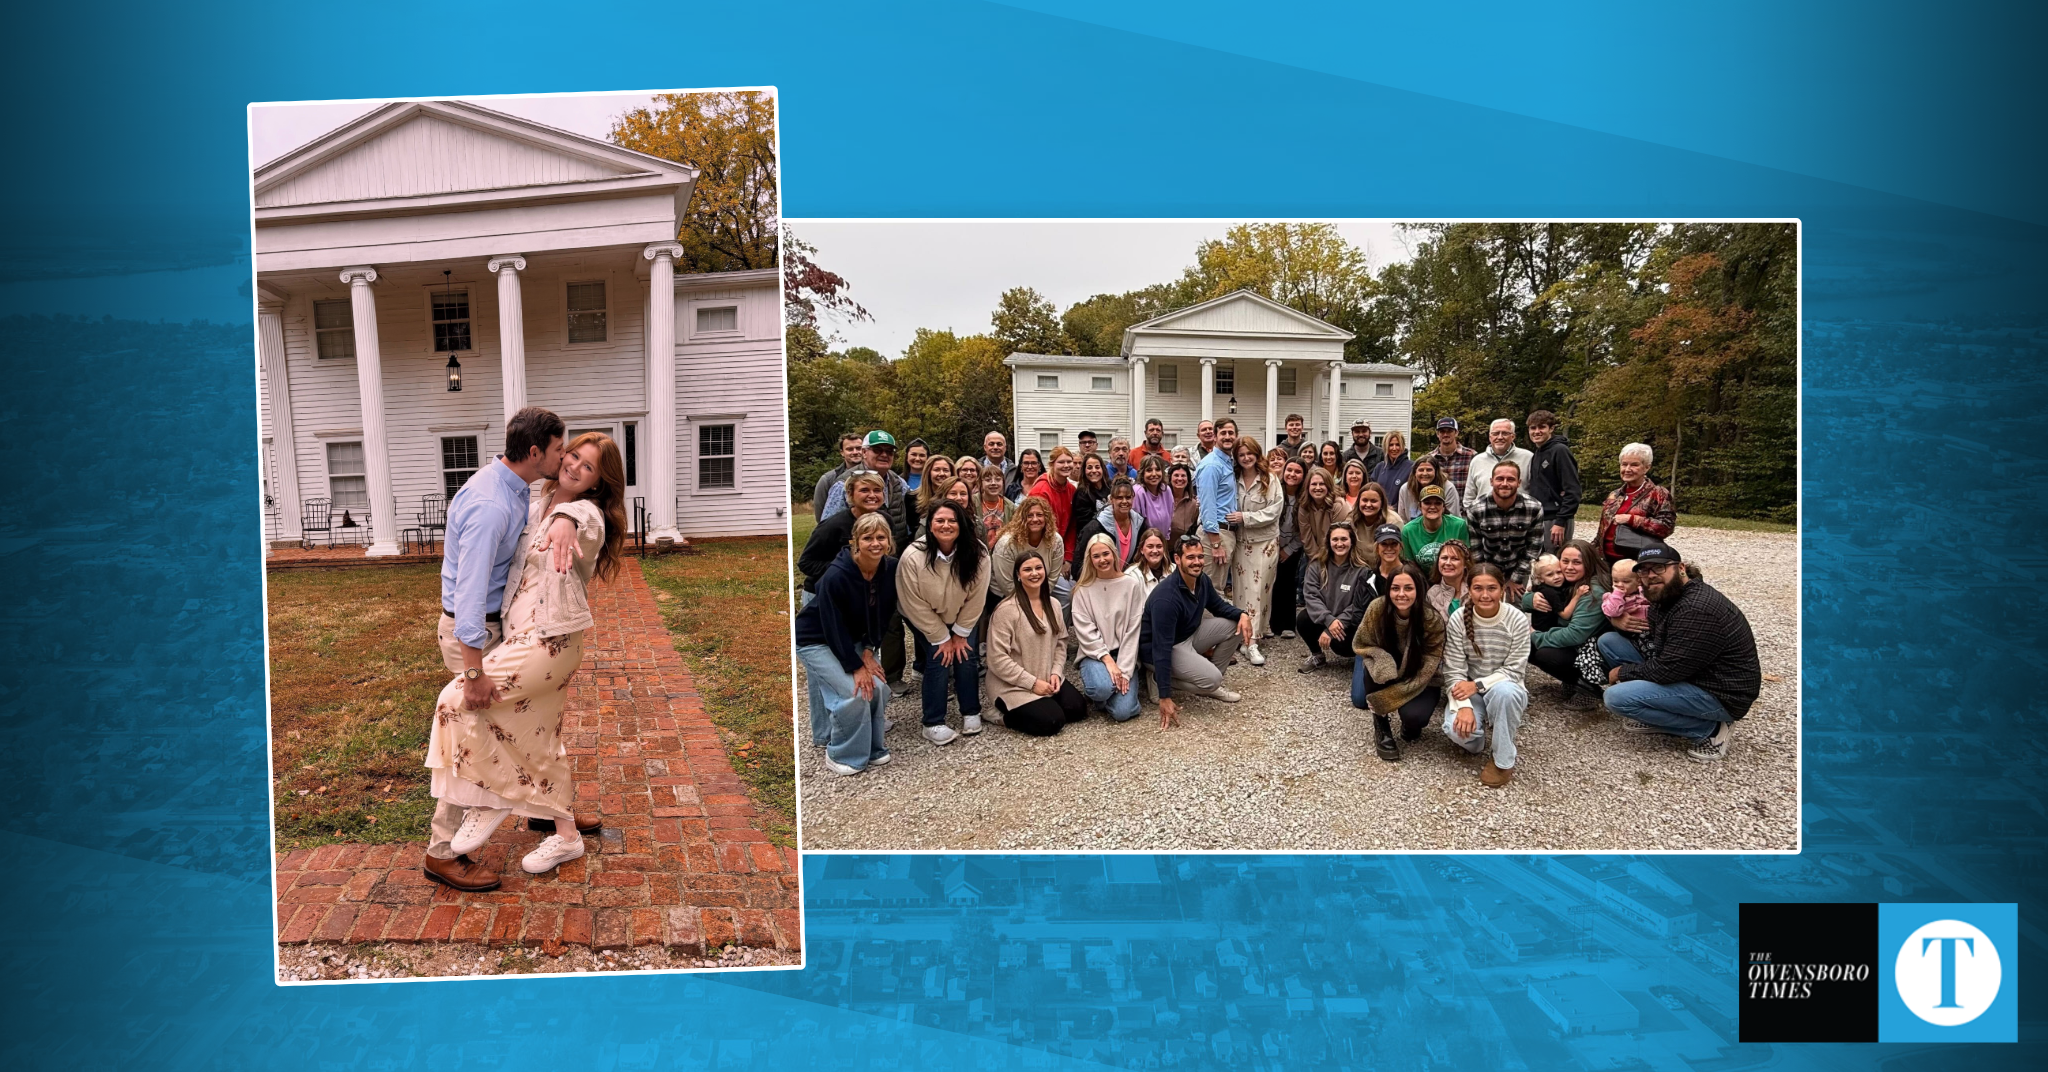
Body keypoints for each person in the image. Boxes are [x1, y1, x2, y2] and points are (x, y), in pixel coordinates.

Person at [426, 414, 618, 889]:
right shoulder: (514, 500)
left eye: (585, 465)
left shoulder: (573, 511)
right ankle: (449, 847)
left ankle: (505, 804)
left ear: (599, 481)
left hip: (544, 639)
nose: (570, 463)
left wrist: (567, 520)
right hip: (481, 632)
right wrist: (473, 671)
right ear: (541, 453)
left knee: (492, 717)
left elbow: (583, 520)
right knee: (500, 717)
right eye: (568, 453)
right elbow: (472, 592)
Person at [1598, 542, 1760, 762]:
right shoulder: (1666, 595)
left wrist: (1623, 672)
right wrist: (1616, 619)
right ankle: (1662, 714)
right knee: (1610, 641)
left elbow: (1668, 671)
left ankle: (1710, 730)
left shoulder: (1696, 609)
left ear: (1680, 568)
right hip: (1689, 673)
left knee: (1617, 698)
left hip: (1720, 693)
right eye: (1644, 571)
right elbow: (1665, 657)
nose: (1651, 576)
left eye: (1659, 568)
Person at [793, 513, 898, 775]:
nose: (875, 543)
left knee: (880, 688)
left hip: (852, 640)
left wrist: (868, 651)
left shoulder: (890, 568)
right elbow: (832, 625)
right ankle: (840, 753)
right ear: (856, 542)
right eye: (867, 538)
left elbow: (883, 613)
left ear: (889, 541)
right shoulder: (836, 575)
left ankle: (873, 748)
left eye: (881, 537)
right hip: (815, 640)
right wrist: (855, 665)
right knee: (853, 692)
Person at [896, 501, 991, 746]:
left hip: (961, 614)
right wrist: (941, 637)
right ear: (930, 525)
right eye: (940, 520)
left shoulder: (978, 552)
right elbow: (911, 602)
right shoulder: (913, 556)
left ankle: (970, 711)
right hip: (923, 616)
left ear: (961, 524)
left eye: (952, 520)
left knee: (966, 656)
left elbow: (977, 597)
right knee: (939, 658)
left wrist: (959, 633)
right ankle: (933, 721)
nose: (946, 525)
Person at [799, 472, 908, 681]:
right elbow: (805, 562)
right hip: (821, 595)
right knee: (823, 678)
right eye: (864, 490)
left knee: (852, 653)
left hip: (857, 594)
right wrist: (843, 573)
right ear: (850, 494)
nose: (872, 495)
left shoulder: (884, 520)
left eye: (877, 490)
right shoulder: (833, 525)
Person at [1143, 537, 1254, 726]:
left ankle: (1210, 684)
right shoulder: (1166, 598)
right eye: (1190, 557)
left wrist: (1242, 614)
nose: (1197, 562)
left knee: (1234, 625)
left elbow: (1218, 606)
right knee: (1211, 679)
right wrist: (1165, 696)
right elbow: (1162, 648)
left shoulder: (1201, 579)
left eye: (1200, 557)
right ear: (1177, 560)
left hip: (1187, 636)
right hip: (1160, 649)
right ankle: (1158, 680)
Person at [1441, 563, 1532, 788]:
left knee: (1505, 694)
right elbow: (1454, 670)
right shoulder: (1458, 619)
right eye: (1478, 588)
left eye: (1491, 588)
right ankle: (1481, 736)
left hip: (1504, 686)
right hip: (1468, 689)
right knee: (1457, 732)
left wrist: (1477, 685)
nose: (1485, 595)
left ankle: (1503, 759)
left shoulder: (1517, 619)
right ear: (1469, 590)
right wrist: (1463, 706)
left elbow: (1514, 669)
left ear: (1502, 590)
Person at [985, 550, 1088, 735]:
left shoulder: (1053, 604)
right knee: (1052, 722)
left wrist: (1056, 672)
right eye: (1027, 569)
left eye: (1038, 568)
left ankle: (1044, 702)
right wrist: (1032, 683)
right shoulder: (1006, 611)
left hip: (1047, 676)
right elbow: (997, 659)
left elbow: (1061, 643)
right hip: (1013, 685)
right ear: (1018, 575)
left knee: (1077, 710)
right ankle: (1000, 715)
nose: (1034, 573)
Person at [1352, 564, 1446, 761]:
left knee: (1415, 718)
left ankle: (1408, 723)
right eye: (1395, 588)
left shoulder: (1431, 619)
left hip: (1420, 676)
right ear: (1388, 590)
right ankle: (1381, 725)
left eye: (1408, 588)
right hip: (1387, 671)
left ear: (1419, 590)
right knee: (1374, 666)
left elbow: (1431, 661)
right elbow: (1361, 642)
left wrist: (1397, 694)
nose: (1401, 594)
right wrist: (1382, 658)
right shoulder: (1377, 608)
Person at [1521, 540, 1608, 704]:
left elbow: (1575, 635)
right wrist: (1530, 600)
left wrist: (1536, 636)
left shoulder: (1593, 591)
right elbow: (1534, 591)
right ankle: (1573, 682)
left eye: (1577, 562)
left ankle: (1587, 687)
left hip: (1591, 652)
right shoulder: (1564, 578)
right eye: (1565, 561)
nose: (1569, 567)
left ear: (1589, 563)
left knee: (1542, 652)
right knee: (1526, 643)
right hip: (1577, 645)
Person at [1071, 533, 1147, 722]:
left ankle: (1110, 698)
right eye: (1096, 556)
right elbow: (1085, 632)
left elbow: (1133, 630)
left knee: (1123, 713)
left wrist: (1125, 670)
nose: (1102, 560)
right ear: (1090, 559)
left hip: (1124, 653)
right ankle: (1102, 692)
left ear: (1114, 554)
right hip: (1095, 655)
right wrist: (1108, 662)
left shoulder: (1131, 585)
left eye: (1106, 554)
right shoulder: (1083, 589)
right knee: (1101, 688)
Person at [1228, 435, 1284, 665]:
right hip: (1241, 542)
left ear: (1257, 453)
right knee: (1241, 591)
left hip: (1265, 542)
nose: (1246, 458)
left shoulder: (1269, 479)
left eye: (1249, 453)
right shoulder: (1232, 478)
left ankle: (1253, 642)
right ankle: (1244, 637)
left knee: (1260, 591)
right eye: (1241, 455)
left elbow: (1274, 511)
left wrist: (1246, 517)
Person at [820, 431, 912, 552]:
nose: (884, 455)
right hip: (858, 562)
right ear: (864, 452)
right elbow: (827, 531)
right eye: (877, 450)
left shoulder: (899, 482)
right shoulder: (844, 483)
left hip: (894, 559)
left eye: (889, 451)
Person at [1466, 460, 1546, 598]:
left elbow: (1534, 547)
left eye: (1510, 479)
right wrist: (1485, 575)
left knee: (1515, 608)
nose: (1504, 483)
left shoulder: (1534, 507)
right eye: (1499, 479)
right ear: (1491, 481)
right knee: (1485, 603)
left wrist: (1516, 578)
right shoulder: (1475, 509)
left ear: (1519, 482)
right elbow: (1475, 550)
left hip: (1519, 565)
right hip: (1488, 564)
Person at [1296, 521, 1369, 672]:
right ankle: (1318, 656)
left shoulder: (1362, 570)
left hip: (1347, 624)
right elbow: (1311, 596)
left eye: (1344, 539)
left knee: (1340, 646)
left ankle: (1358, 658)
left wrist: (1335, 626)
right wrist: (1329, 621)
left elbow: (1358, 605)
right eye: (1335, 539)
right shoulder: (1317, 565)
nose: (1339, 543)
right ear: (1329, 542)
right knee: (1303, 619)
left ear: (1352, 541)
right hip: (1326, 618)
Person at [1596, 441, 1677, 562]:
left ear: (1647, 467)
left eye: (1634, 465)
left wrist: (1632, 520)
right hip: (1605, 561)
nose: (1627, 469)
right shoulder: (1614, 494)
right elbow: (1601, 532)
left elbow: (1666, 527)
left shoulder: (1658, 494)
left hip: (1636, 562)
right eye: (1624, 464)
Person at [990, 495, 1066, 608]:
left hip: (1040, 588)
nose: (1035, 519)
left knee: (1065, 597)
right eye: (1029, 515)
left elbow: (1052, 578)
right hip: (1006, 594)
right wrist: (1030, 604)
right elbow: (1007, 584)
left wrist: (1040, 599)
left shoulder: (1056, 540)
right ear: (1021, 519)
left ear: (1047, 518)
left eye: (1039, 515)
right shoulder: (1007, 544)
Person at [1524, 410, 1581, 553]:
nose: (1537, 431)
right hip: (1540, 517)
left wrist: (1560, 521)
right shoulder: (1538, 453)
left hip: (1556, 519)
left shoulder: (1560, 451)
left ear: (1551, 428)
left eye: (1541, 427)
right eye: (1533, 428)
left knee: (1555, 563)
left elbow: (1573, 491)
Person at [1072, 476, 1147, 579]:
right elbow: (1079, 561)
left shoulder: (1140, 523)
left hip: (1127, 580)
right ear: (1111, 499)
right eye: (1119, 498)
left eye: (1128, 497)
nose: (1124, 501)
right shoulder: (1095, 527)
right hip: (1099, 580)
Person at [1194, 419, 1240, 587]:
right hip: (1214, 534)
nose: (1227, 437)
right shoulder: (1212, 465)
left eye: (1231, 433)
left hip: (1227, 532)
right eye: (1223, 433)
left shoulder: (1228, 462)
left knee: (1218, 587)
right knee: (1212, 590)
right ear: (1215, 436)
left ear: (1236, 436)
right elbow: (1207, 505)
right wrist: (1215, 543)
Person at [1462, 418, 1535, 512]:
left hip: (1520, 518)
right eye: (1495, 433)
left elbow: (1536, 491)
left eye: (1505, 433)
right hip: (1485, 519)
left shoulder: (1528, 458)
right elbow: (1469, 497)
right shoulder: (1477, 460)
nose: (1500, 437)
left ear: (1513, 436)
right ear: (1490, 437)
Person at [1271, 458, 1309, 640]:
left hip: (1293, 547)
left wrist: (1289, 549)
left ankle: (1288, 624)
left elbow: (1305, 529)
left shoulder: (1305, 498)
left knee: (1287, 583)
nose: (1292, 475)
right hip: (1271, 544)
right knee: (1271, 582)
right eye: (1289, 470)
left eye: (1297, 472)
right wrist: (1275, 545)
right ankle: (1271, 623)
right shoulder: (1275, 492)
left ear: (1303, 476)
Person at [1028, 447, 1081, 567]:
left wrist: (1067, 557)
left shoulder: (1071, 490)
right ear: (1052, 464)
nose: (1066, 465)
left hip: (1061, 551)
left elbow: (1072, 526)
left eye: (1069, 461)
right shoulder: (1041, 490)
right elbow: (1036, 528)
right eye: (1061, 462)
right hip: (1041, 551)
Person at [1399, 484, 1470, 572]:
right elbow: (1409, 565)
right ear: (1420, 506)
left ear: (1444, 507)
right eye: (1427, 503)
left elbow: (1466, 559)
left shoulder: (1459, 525)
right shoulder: (1408, 530)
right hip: (1421, 579)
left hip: (1452, 576)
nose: (1432, 507)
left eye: (1438, 503)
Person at [1419, 417, 1475, 502]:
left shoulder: (1471, 456)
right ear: (1437, 434)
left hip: (1464, 512)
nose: (1445, 434)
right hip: (1436, 511)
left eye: (1449, 431)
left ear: (1456, 433)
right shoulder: (1429, 459)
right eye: (1442, 431)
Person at [812, 431, 863, 522]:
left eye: (858, 448)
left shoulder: (875, 474)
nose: (855, 452)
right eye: (850, 449)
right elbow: (821, 517)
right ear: (842, 452)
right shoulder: (828, 480)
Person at [1071, 452, 1114, 557]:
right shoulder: (1081, 493)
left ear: (1103, 469)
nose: (1094, 471)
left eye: (1097, 467)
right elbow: (1085, 523)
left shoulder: (1111, 487)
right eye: (1089, 467)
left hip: (1112, 538)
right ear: (1084, 471)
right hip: (1091, 541)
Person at [1358, 522, 1408, 608]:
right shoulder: (1368, 578)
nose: (1389, 548)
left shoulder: (1413, 574)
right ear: (1377, 547)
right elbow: (1358, 612)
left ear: (1400, 546)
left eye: (1394, 543)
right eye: (1384, 544)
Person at [1399, 456, 1462, 521]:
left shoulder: (1448, 487)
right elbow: (1402, 519)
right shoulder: (1406, 489)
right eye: (1421, 470)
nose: (1425, 473)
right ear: (1415, 472)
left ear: (1436, 472)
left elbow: (1454, 518)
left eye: (1429, 470)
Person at [1123, 527, 1172, 601]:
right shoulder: (1132, 575)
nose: (1155, 551)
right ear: (1142, 550)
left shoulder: (1175, 571)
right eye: (1150, 546)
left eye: (1159, 546)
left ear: (1164, 549)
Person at [1427, 539, 1472, 618]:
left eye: (1454, 559)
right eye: (1444, 558)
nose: (1448, 563)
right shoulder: (1432, 594)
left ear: (1465, 563)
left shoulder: (1475, 590)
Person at [1131, 455, 1174, 535]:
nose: (1154, 474)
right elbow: (1136, 525)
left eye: (1158, 470)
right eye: (1149, 470)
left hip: (1162, 541)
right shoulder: (1138, 492)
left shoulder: (1166, 490)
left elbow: (1170, 516)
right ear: (1142, 473)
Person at [976, 464, 1016, 549]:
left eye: (998, 480)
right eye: (988, 480)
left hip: (1002, 553)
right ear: (980, 483)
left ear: (1003, 482)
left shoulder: (1011, 507)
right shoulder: (972, 502)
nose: (993, 483)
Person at [1370, 431, 1413, 504]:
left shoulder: (1411, 467)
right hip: (1380, 512)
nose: (1394, 448)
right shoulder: (1379, 468)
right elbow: (1371, 491)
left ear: (1403, 446)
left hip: (1401, 513)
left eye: (1397, 445)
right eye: (1391, 445)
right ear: (1385, 447)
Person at [1166, 462, 1200, 544]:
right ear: (1170, 478)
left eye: (1183, 476)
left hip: (1180, 548)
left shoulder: (1194, 504)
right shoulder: (1161, 498)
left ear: (1188, 480)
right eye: (1176, 475)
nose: (1180, 479)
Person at [914, 454, 955, 518]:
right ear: (928, 473)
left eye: (945, 470)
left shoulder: (958, 499)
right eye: (937, 470)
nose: (942, 474)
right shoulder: (913, 499)